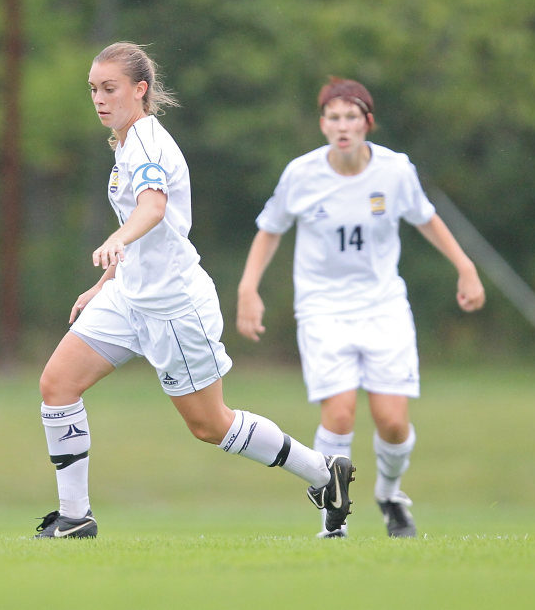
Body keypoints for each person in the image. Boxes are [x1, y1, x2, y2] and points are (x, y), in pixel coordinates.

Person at [33, 42, 355, 539]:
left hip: (174, 307)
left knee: (210, 425)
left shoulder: (147, 143)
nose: (98, 98)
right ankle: (75, 518)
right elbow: (145, 233)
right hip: (128, 297)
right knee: (57, 385)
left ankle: (321, 473)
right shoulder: (125, 142)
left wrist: (116, 240)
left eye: (109, 88)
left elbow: (153, 208)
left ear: (140, 90)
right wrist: (104, 283)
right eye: (93, 89)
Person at [236, 77, 486, 538]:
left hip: (383, 306)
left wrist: (465, 266)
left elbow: (426, 218)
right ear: (323, 125)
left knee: (392, 422)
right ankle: (333, 521)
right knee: (340, 415)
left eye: (351, 117)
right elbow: (270, 229)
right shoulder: (301, 174)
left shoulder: (395, 170)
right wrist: (248, 288)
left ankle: (390, 495)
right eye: (333, 117)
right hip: (322, 308)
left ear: (367, 122)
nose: (342, 126)